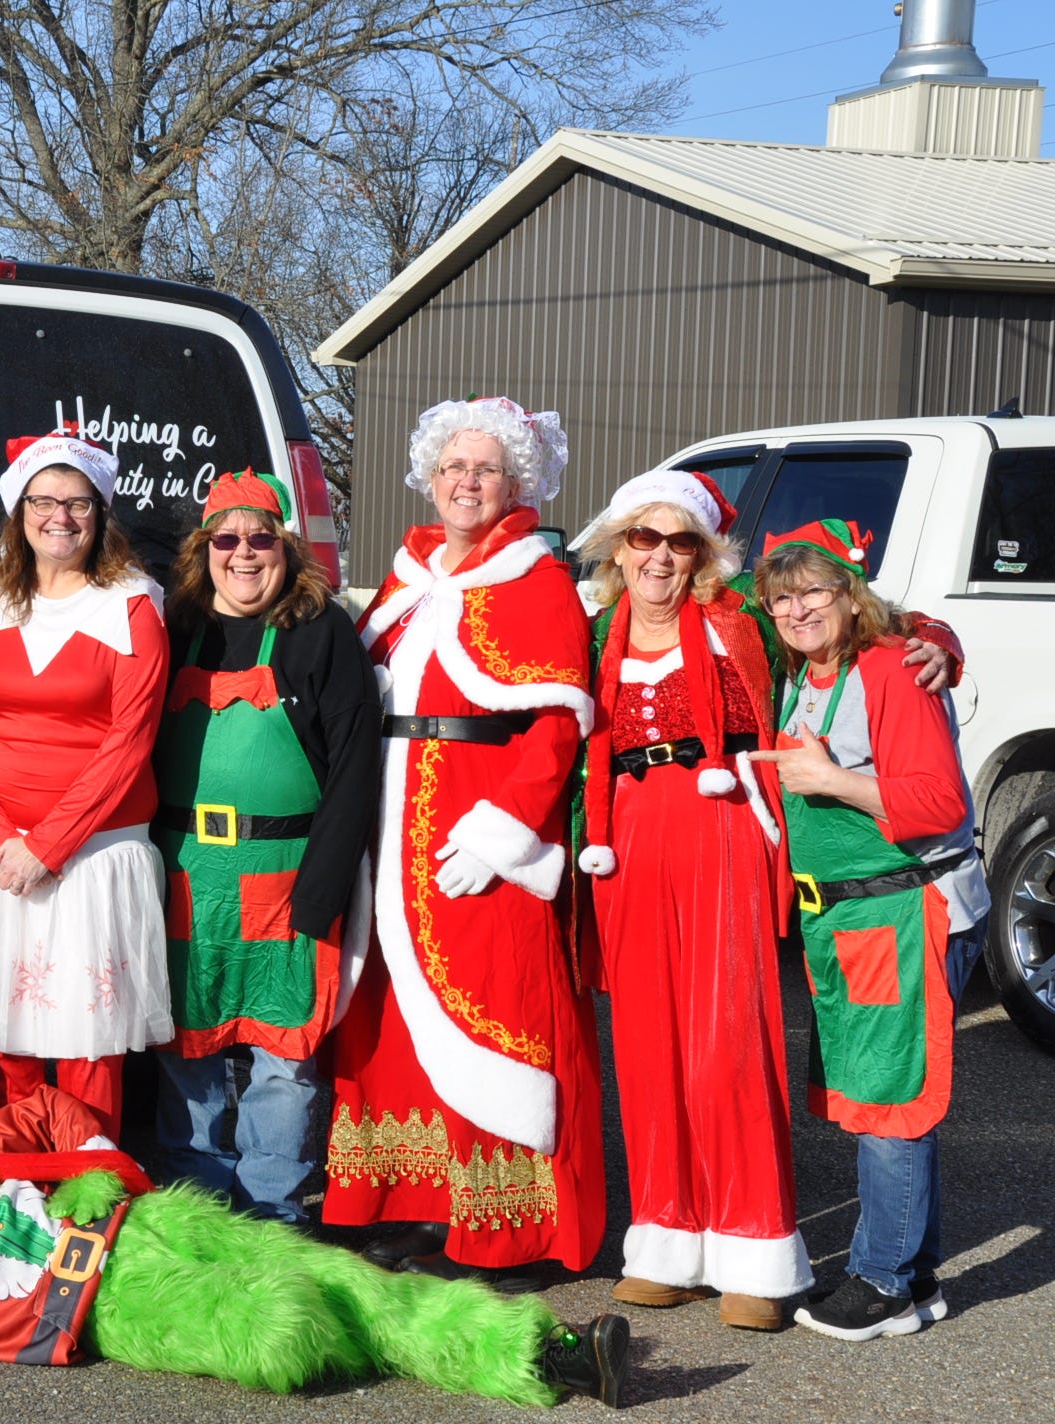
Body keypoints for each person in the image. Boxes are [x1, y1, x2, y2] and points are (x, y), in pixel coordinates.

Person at [0, 1088, 630, 1407]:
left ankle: (543, 1353)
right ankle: (453, 1349)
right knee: (280, 1323)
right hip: (114, 1308)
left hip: (147, 1225)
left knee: (333, 1271)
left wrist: (96, 1170)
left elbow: (53, 1109)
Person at [323, 397, 605, 1282]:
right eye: (453, 467)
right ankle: (409, 1203)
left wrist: (504, 832)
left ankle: (505, 1221)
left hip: (473, 837)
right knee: (394, 1017)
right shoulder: (408, 576)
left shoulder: (537, 578)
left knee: (490, 1010)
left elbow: (559, 725)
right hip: (390, 830)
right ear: (430, 478)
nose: (467, 482)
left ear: (516, 483)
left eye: (485, 469)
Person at [569, 472, 811, 1329]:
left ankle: (755, 1246)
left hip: (718, 829)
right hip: (625, 841)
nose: (661, 557)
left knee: (727, 1039)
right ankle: (667, 1235)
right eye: (645, 539)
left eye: (680, 543)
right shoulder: (593, 630)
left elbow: (852, 622)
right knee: (647, 1044)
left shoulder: (738, 622)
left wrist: (936, 642)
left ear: (704, 556)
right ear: (618, 548)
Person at [750, 519, 988, 1342]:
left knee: (890, 1100)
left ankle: (883, 1280)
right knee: (874, 1094)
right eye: (781, 597)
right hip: (848, 917)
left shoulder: (889, 669)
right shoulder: (806, 667)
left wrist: (831, 780)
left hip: (902, 910)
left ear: (850, 594)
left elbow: (938, 804)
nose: (797, 608)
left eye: (814, 589)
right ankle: (912, 1276)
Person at [149, 469, 380, 1223]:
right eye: (226, 539)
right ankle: (197, 1208)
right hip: (189, 873)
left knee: (284, 1060)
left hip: (286, 874)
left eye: (261, 539)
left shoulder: (321, 632)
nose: (243, 555)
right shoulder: (177, 628)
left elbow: (353, 772)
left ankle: (273, 1212)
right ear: (202, 549)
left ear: (286, 546)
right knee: (191, 1050)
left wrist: (323, 891)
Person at [0, 431, 172, 1138]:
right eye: (44, 500)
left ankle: (87, 1190)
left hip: (94, 855)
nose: (60, 517)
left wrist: (49, 844)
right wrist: (2, 836)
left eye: (77, 503)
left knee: (87, 1046)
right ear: (20, 510)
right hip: (7, 853)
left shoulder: (133, 603)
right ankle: (15, 1186)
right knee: (10, 1035)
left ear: (101, 515)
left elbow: (129, 741)